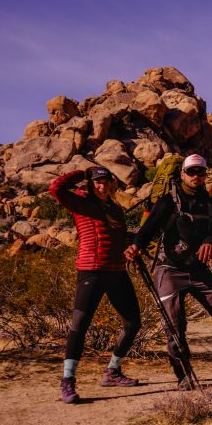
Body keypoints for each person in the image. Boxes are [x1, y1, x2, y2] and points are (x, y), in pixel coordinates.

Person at [125, 154, 212, 391]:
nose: (196, 176)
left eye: (201, 172)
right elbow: (148, 229)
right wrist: (136, 245)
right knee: (173, 324)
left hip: (198, 269)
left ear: (206, 175)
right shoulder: (168, 201)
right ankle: (183, 375)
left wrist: (210, 243)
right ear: (183, 174)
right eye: (191, 172)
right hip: (169, 269)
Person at [49, 166, 142, 404]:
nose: (102, 186)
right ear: (91, 184)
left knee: (133, 323)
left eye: (105, 182)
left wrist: (132, 247)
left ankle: (112, 371)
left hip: (117, 273)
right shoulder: (81, 202)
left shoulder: (115, 209)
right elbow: (55, 188)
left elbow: (121, 239)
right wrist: (82, 172)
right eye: (97, 182)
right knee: (80, 325)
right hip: (90, 270)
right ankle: (68, 381)